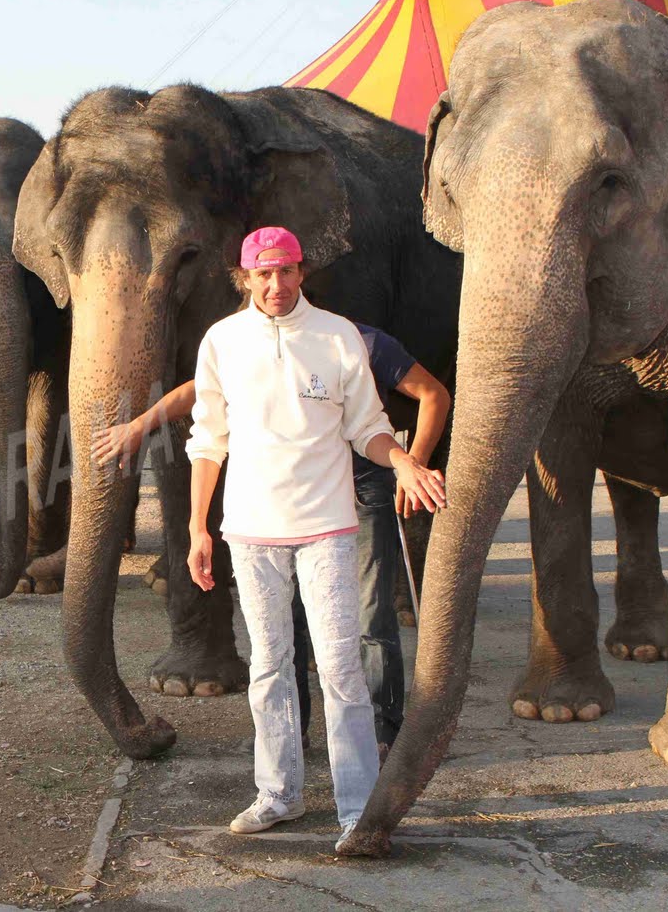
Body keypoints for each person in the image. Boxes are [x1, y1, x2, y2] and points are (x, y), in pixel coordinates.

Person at [166, 226, 446, 854]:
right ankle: (279, 794)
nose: (276, 285)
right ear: (243, 278)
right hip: (249, 530)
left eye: (287, 271)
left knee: (340, 667)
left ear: (302, 272)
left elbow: (367, 427)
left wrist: (402, 461)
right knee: (268, 667)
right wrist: (196, 530)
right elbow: (208, 442)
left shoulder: (338, 336)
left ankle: (357, 810)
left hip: (326, 527)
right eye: (263, 274)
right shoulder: (222, 343)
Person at [92, 295, 450, 762]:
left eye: (286, 276)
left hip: (360, 494)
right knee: (290, 624)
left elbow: (432, 393)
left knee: (369, 615)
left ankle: (384, 736)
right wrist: (141, 425)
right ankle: (293, 738)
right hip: (289, 503)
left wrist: (412, 462)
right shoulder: (244, 343)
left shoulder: (354, 340)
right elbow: (201, 392)